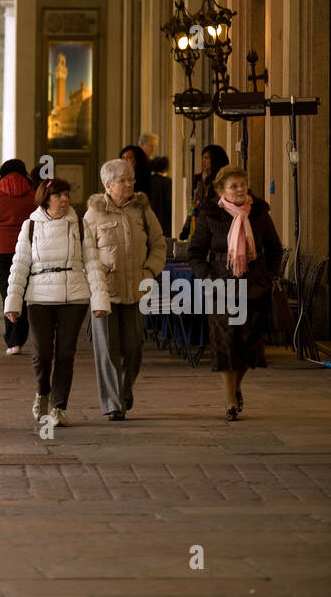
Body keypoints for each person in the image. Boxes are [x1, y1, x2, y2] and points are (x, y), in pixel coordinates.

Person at [5, 177, 110, 425]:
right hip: (39, 297)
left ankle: (59, 407)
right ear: (46, 198)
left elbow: (93, 263)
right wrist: (13, 303)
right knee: (42, 353)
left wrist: (100, 300)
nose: (64, 200)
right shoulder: (30, 226)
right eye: (58, 195)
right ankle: (43, 392)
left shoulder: (80, 225)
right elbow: (19, 266)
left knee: (65, 353)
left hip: (74, 296)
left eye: (66, 195)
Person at [188, 165, 283, 421]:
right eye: (233, 186)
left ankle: (237, 385)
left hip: (254, 287)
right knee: (226, 342)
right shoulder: (209, 214)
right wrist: (209, 278)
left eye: (242, 184)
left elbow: (275, 249)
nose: (240, 190)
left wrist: (268, 275)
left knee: (249, 344)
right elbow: (195, 253)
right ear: (221, 191)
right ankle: (230, 401)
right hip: (222, 287)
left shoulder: (260, 212)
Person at [84, 158, 167, 420]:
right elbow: (86, 254)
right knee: (107, 352)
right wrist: (97, 281)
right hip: (105, 292)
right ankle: (113, 405)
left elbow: (158, 245)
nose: (129, 184)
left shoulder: (143, 211)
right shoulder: (93, 215)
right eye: (123, 180)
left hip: (135, 291)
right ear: (108, 185)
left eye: (131, 179)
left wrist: (149, 272)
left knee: (134, 351)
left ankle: (124, 388)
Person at [0, 159, 36, 355]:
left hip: (0, 250)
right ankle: (23, 334)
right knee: (25, 292)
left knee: (8, 293)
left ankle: (13, 341)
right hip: (28, 248)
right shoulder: (35, 196)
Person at [179, 144, 230, 240]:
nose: (203, 161)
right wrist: (187, 226)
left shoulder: (222, 179)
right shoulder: (198, 179)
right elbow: (194, 203)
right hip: (198, 220)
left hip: (215, 222)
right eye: (203, 158)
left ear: (215, 159)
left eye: (207, 158)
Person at [121, 142, 170, 237]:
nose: (126, 160)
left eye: (129, 157)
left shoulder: (149, 179)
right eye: (123, 157)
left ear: (137, 159)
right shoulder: (118, 181)